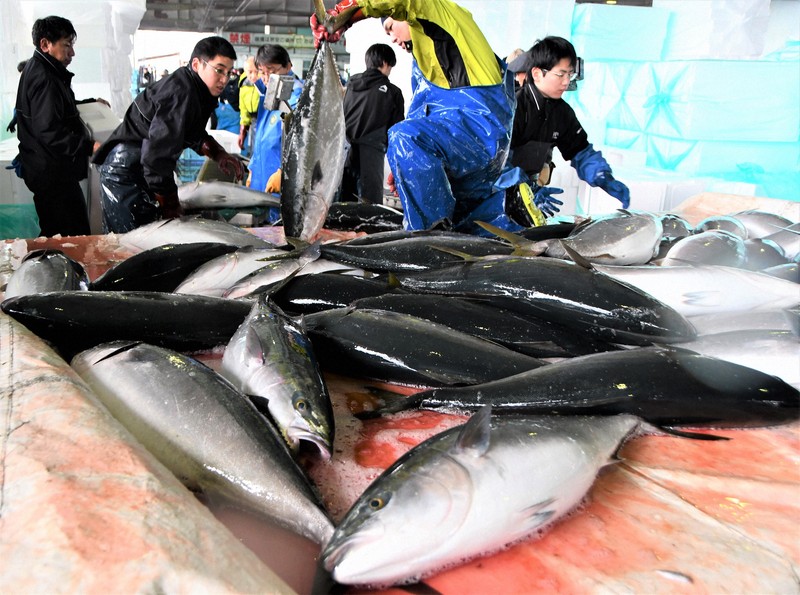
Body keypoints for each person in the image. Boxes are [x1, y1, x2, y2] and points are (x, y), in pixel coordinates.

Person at [311, 0, 521, 235]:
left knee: (403, 137)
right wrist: (406, 166)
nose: (391, 36)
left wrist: (345, 14)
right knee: (470, 231)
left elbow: (402, 2)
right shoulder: (424, 64)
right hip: (470, 161)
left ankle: (426, 243)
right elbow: (420, 119)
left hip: (476, 139)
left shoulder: (443, 16)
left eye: (390, 26)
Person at [93, 36, 244, 233]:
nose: (224, 79)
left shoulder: (199, 90)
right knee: (128, 246)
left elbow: (192, 132)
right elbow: (156, 158)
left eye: (228, 73)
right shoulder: (181, 92)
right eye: (219, 70)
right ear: (197, 64)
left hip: (141, 168)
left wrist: (218, 153)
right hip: (125, 172)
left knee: (146, 240)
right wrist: (171, 205)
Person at [505, 36, 630, 225]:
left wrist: (602, 176)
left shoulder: (562, 112)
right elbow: (496, 164)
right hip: (499, 198)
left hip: (529, 193)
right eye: (560, 74)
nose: (566, 82)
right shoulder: (513, 107)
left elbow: (580, 150)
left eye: (569, 75)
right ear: (538, 74)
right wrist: (521, 189)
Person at [14, 16, 97, 237]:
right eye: (66, 45)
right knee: (71, 235)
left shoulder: (42, 69)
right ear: (45, 44)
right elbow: (49, 130)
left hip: (46, 169)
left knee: (57, 232)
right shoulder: (45, 78)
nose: (72, 53)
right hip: (52, 173)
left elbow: (55, 109)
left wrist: (90, 103)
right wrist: (89, 146)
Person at [340, 43, 404, 204]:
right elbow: (396, 132)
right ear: (384, 63)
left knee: (341, 206)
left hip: (343, 155)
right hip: (371, 157)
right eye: (390, 67)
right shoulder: (392, 92)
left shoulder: (349, 87)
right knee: (369, 208)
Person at [247, 44, 303, 203]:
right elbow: (261, 136)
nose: (266, 78)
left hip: (283, 183)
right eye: (262, 73)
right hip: (262, 177)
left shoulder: (297, 98)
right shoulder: (269, 94)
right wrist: (252, 168)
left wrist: (283, 171)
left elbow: (302, 144)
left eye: (271, 72)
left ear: (288, 66)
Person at [237, 57, 261, 155]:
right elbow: (243, 109)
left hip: (265, 119)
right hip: (253, 121)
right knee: (254, 151)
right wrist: (242, 131)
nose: (253, 76)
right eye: (250, 72)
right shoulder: (243, 84)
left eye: (257, 71)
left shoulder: (267, 83)